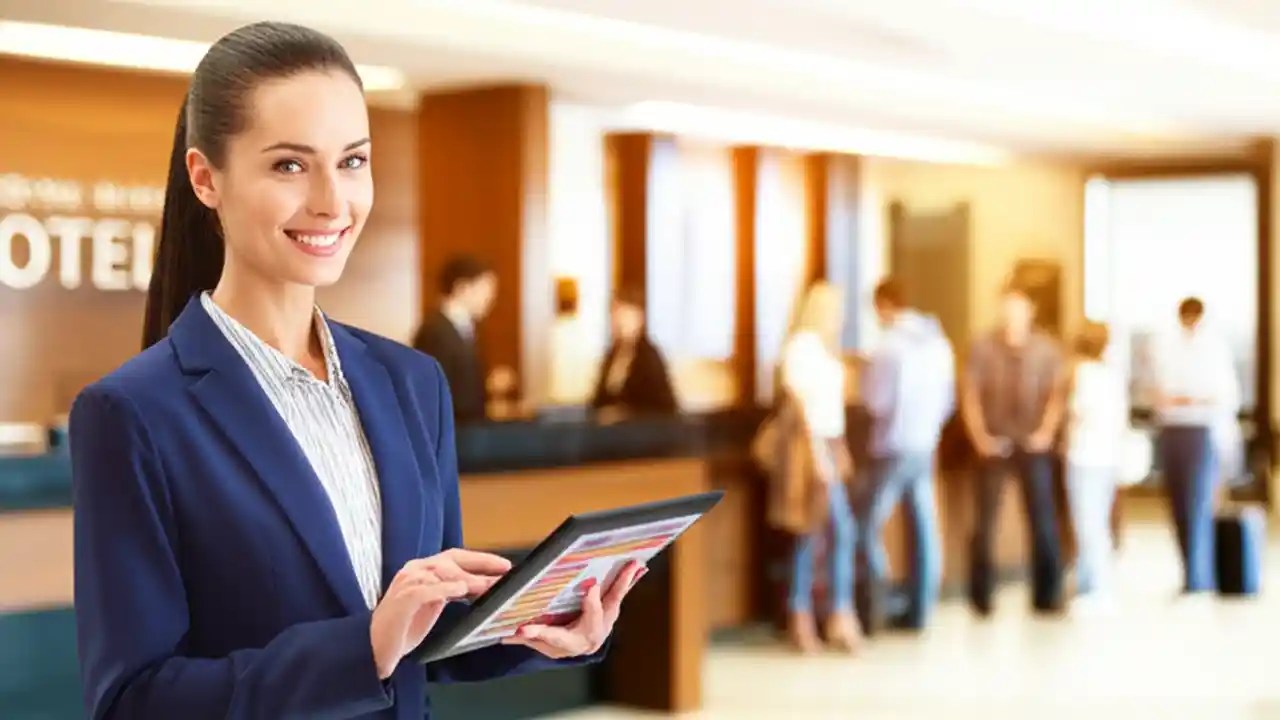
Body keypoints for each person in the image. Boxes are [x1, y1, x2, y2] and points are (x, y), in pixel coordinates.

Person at [70, 22, 641, 720]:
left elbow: (423, 641)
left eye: (352, 161)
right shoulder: (132, 414)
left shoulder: (411, 383)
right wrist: (363, 646)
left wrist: (546, 628)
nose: (332, 202)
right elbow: (132, 701)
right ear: (205, 178)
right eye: (289, 165)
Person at [961, 280, 1067, 616]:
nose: (1012, 314)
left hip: (1032, 442)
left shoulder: (1045, 349)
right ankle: (981, 597)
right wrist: (979, 436)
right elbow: (970, 394)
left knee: (1042, 520)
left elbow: (1056, 395)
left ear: (1029, 312)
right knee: (984, 523)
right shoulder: (982, 347)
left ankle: (1047, 595)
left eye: (1018, 308)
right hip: (994, 442)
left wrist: (1046, 432)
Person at [766, 281, 860, 654]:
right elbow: (803, 407)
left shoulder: (826, 349)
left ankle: (827, 612)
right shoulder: (801, 347)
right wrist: (820, 456)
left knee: (827, 532)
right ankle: (812, 612)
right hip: (808, 451)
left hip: (829, 444)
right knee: (818, 530)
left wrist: (840, 450)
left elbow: (833, 407)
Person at [859, 278, 954, 631]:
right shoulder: (937, 342)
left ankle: (878, 599)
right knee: (924, 526)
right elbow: (947, 401)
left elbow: (876, 402)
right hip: (925, 443)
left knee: (867, 525)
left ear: (883, 305)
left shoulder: (889, 347)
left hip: (893, 445)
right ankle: (921, 608)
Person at [1150, 297, 1240, 594]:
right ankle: (1189, 572)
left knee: (1198, 505)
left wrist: (1189, 399)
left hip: (1202, 431)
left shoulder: (1214, 349)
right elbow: (1160, 394)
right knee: (1178, 506)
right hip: (1172, 430)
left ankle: (1200, 580)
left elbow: (1223, 397)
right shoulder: (1167, 347)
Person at [1064, 322, 1128, 614]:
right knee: (1097, 521)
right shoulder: (1111, 375)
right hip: (1108, 457)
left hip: (1085, 457)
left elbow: (1078, 414)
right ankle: (1090, 584)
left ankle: (1097, 589)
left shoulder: (1085, 374)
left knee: (1089, 524)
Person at [412, 254, 498, 423]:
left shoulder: (464, 328)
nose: (490, 298)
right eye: (485, 289)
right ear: (462, 288)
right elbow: (433, 391)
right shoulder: (434, 331)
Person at [589, 286, 678, 417]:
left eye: (626, 316)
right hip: (608, 434)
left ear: (639, 319)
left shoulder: (649, 356)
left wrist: (624, 413)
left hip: (639, 433)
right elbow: (598, 400)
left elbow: (661, 404)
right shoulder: (611, 355)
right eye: (616, 316)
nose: (620, 323)